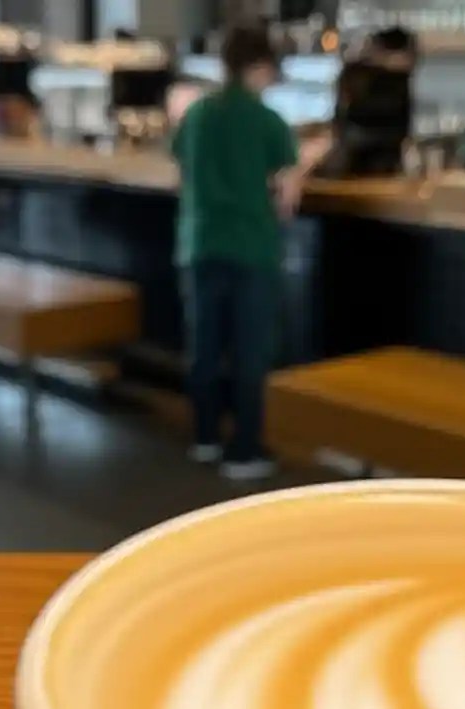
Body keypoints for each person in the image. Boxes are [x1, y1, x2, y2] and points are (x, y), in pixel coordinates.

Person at [171, 26, 299, 482]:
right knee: (249, 351)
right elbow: (287, 197)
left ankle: (205, 438)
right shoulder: (269, 122)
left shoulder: (197, 114)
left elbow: (182, 172)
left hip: (200, 242)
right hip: (251, 246)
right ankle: (243, 451)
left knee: (204, 345)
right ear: (259, 67)